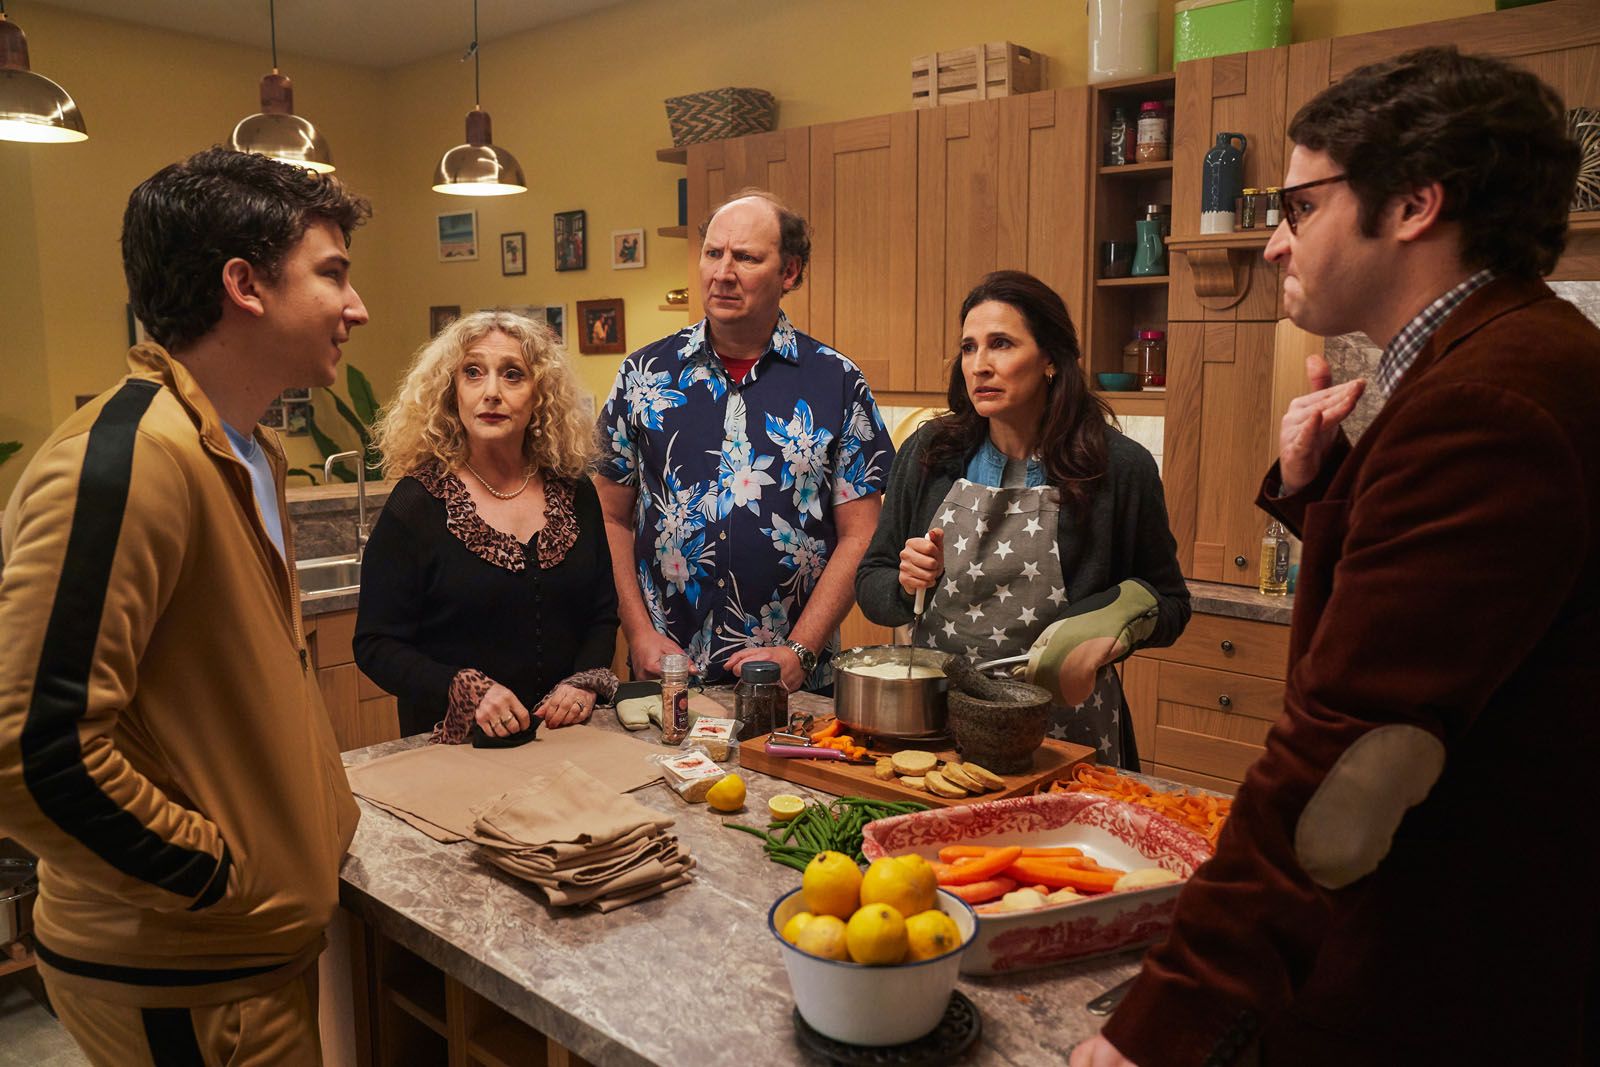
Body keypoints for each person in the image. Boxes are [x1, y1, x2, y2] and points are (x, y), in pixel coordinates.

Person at [1073, 46, 1597, 1067]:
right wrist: (1322, 492)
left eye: (1297, 203)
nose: (1273, 242)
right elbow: (1461, 627)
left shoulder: (1485, 403)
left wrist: (1164, 1021)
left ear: (1411, 205)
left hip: (1450, 971)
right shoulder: (1510, 362)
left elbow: (1349, 759)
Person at [0, 147, 370, 1064]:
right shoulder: (129, 460)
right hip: (185, 973)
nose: (356, 306)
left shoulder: (243, 451)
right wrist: (217, 879)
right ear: (244, 284)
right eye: (332, 275)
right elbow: (31, 749)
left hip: (243, 957)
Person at [856, 271, 1189, 767]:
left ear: (1050, 359)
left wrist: (1112, 626)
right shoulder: (929, 454)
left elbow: (1170, 603)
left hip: (1065, 732)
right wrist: (906, 584)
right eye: (969, 348)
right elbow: (871, 584)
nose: (979, 366)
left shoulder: (1119, 469)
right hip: (939, 724)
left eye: (1002, 344)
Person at [595, 189, 893, 691]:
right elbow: (609, 516)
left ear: (790, 272)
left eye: (746, 257)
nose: (723, 272)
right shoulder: (643, 374)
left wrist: (801, 649)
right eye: (713, 253)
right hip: (664, 672)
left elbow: (861, 535)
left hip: (792, 681)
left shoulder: (837, 382)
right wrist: (638, 634)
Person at [355, 310, 618, 741]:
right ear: (451, 391)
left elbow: (601, 614)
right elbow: (376, 645)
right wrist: (465, 690)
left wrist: (583, 682)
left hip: (570, 742)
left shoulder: (575, 493)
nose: (491, 392)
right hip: (455, 753)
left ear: (540, 395)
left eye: (513, 375)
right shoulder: (417, 504)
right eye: (473, 373)